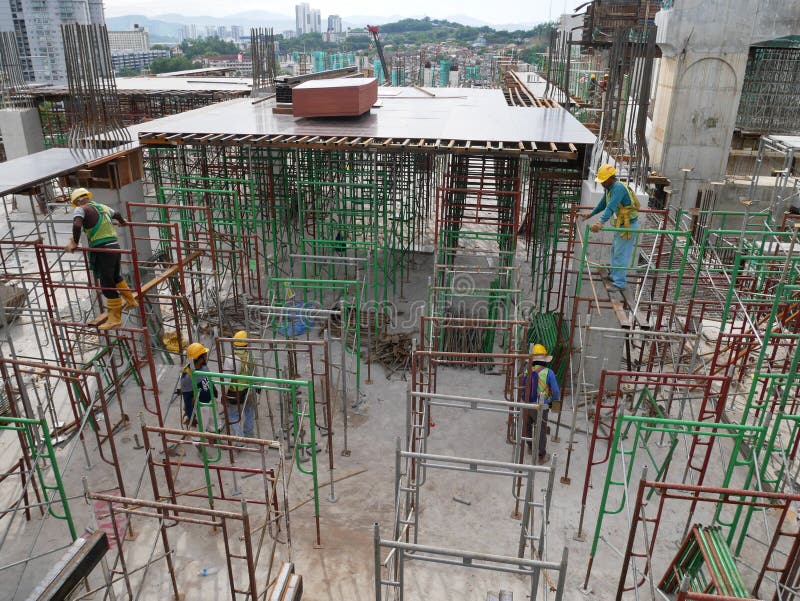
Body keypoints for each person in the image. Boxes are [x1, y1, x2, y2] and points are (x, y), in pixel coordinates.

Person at [64, 188, 138, 330]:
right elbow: (116, 214)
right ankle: (130, 300)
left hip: (103, 250)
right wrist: (122, 222)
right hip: (115, 248)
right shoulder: (102, 207)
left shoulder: (80, 209)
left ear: (78, 201)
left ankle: (115, 318)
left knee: (106, 284)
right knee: (115, 277)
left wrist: (75, 242)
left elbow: (77, 225)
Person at [581, 164, 641, 290]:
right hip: (622, 225)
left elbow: (611, 207)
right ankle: (614, 276)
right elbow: (603, 204)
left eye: (603, 181)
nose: (602, 183)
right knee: (615, 251)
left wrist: (600, 223)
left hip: (628, 226)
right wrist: (590, 214)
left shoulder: (617, 188)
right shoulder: (610, 188)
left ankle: (619, 283)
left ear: (610, 178)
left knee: (621, 253)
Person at [520, 343, 560, 464]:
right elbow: (556, 391)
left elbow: (522, 385)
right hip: (541, 406)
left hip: (527, 404)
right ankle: (541, 455)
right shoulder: (549, 372)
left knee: (527, 425)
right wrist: (553, 402)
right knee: (541, 430)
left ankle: (530, 446)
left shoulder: (527, 370)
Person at [222, 330, 256, 439]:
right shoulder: (251, 356)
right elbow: (254, 375)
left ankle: (239, 440)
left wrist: (224, 395)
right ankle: (249, 433)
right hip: (248, 390)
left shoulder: (230, 359)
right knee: (249, 411)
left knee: (234, 415)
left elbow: (226, 380)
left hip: (234, 392)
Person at [180, 342, 215, 431]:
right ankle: (198, 443)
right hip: (200, 408)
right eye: (205, 354)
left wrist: (214, 391)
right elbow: (187, 399)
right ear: (200, 359)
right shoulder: (187, 377)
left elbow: (208, 381)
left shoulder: (204, 367)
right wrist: (191, 416)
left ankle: (213, 438)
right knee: (199, 431)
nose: (206, 355)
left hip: (209, 402)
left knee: (214, 425)